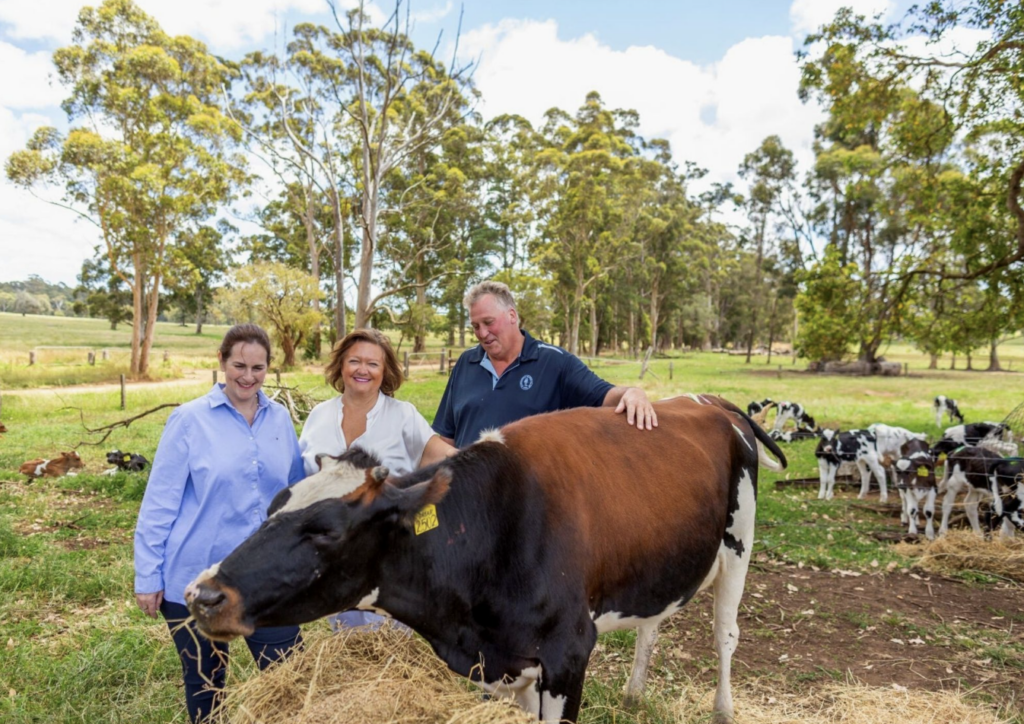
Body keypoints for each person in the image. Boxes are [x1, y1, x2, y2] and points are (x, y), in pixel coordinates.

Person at [134, 324, 306, 723]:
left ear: (269, 369)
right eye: (239, 365)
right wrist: (148, 576)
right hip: (198, 578)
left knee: (290, 674)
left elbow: (293, 493)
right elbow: (159, 503)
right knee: (206, 683)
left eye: (258, 368)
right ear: (222, 362)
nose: (248, 376)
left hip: (266, 577)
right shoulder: (189, 420)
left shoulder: (279, 420)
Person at [299, 328, 455, 629]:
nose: (362, 370)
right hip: (336, 557)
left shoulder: (403, 415)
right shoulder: (319, 416)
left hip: (391, 558)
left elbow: (447, 459)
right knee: (345, 641)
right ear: (341, 365)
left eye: (373, 364)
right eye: (354, 361)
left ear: (385, 371)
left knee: (391, 649)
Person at [433, 280, 658, 448]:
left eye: (488, 322)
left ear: (512, 315)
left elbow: (603, 395)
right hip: (467, 496)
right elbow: (446, 434)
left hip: (526, 501)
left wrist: (633, 393)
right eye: (475, 326)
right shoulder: (466, 362)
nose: (482, 333)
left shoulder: (553, 361)